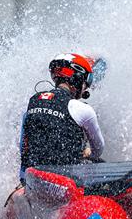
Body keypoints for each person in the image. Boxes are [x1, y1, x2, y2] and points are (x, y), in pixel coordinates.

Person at [19, 53, 105, 183]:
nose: (85, 90)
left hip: (31, 182)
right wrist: (87, 152)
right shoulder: (83, 109)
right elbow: (98, 150)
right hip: (66, 185)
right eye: (85, 84)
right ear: (77, 79)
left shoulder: (33, 102)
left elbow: (23, 146)